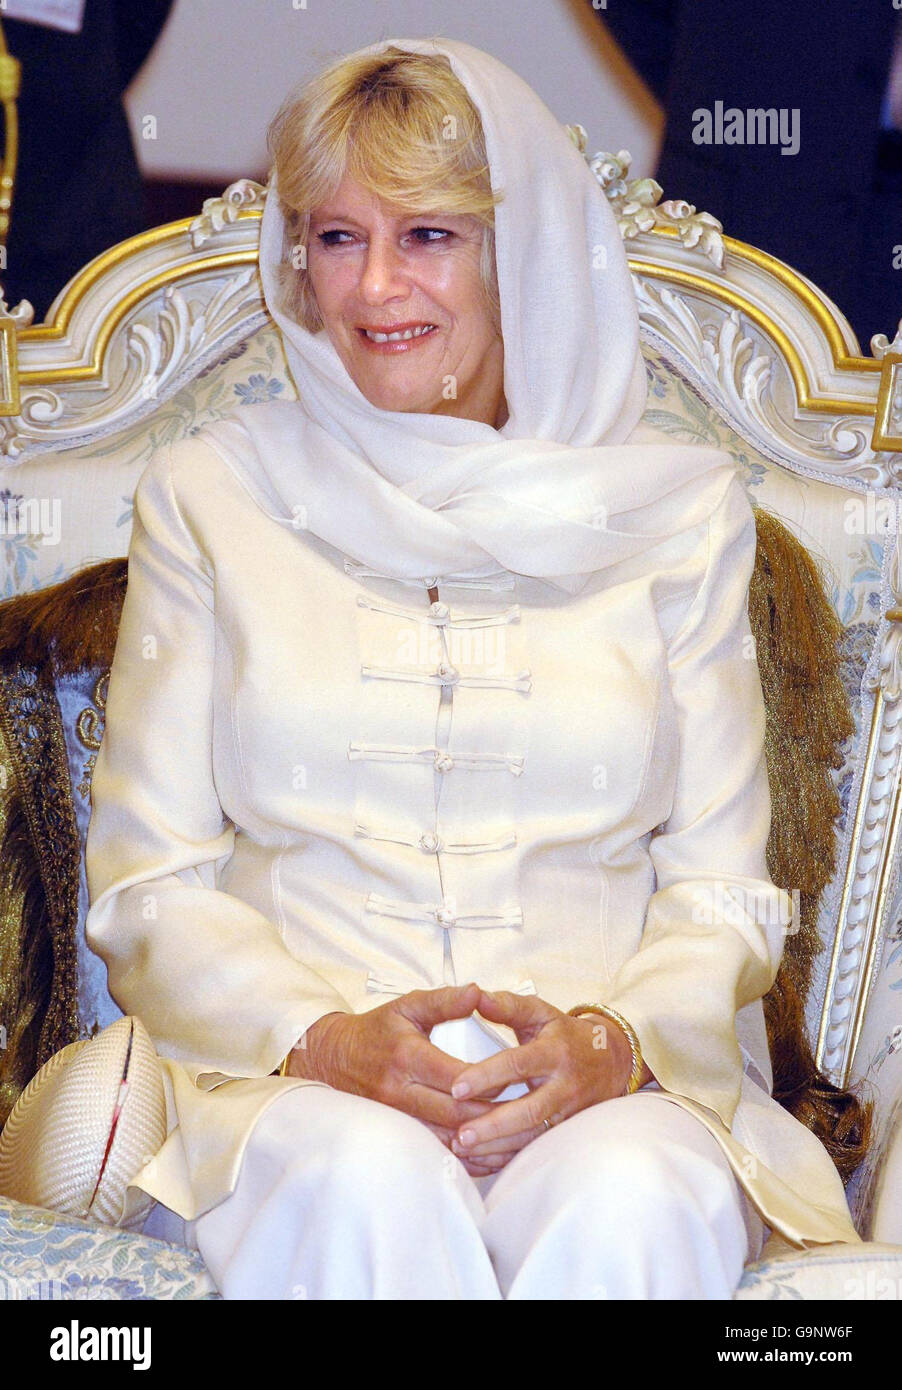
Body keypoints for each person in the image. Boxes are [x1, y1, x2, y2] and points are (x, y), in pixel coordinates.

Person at [84, 36, 862, 1301]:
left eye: (430, 235)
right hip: (293, 1096)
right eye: (334, 238)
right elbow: (144, 883)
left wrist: (611, 1046)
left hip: (605, 1087)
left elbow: (721, 885)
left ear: (529, 252)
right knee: (365, 1182)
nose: (375, 286)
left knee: (635, 1195)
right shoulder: (214, 494)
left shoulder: (681, 516)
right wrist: (322, 1042)